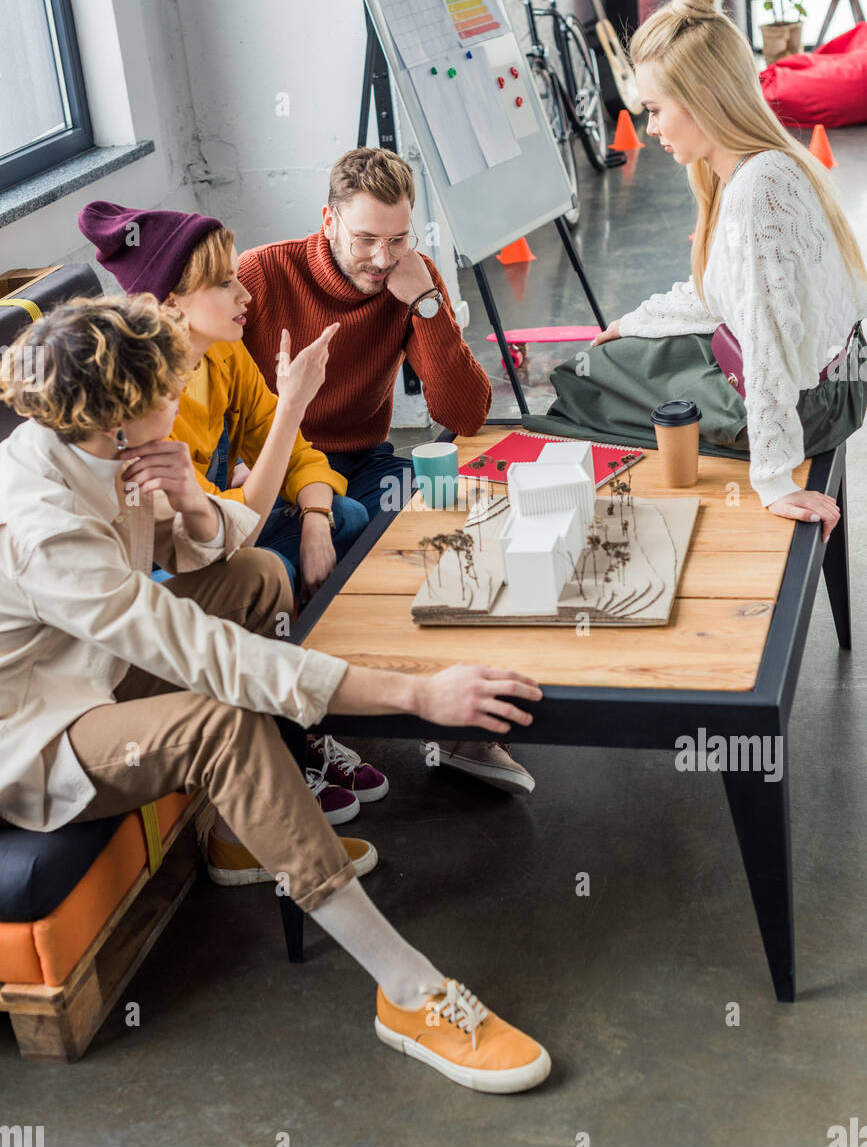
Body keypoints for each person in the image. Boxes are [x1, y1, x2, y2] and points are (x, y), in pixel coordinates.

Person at [0, 297, 550, 1094]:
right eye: (169, 387)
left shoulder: (91, 447)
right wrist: (415, 696)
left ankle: (236, 837)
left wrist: (189, 500)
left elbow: (216, 550)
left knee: (257, 577)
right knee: (218, 721)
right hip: (31, 736)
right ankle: (407, 990)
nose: (182, 388)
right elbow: (207, 655)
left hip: (85, 670)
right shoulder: (43, 525)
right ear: (119, 420)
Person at [78, 202, 387, 845]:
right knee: (266, 565)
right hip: (174, 571)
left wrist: (315, 516)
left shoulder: (223, 356)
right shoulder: (145, 408)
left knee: (347, 515)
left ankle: (305, 705)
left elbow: (297, 458)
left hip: (213, 537)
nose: (245, 291)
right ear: (168, 305)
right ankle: (292, 737)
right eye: (224, 283)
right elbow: (222, 533)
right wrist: (294, 404)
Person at [522, 0, 867, 540]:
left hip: (812, 405)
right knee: (611, 358)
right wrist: (634, 326)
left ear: (705, 100)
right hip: (828, 382)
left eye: (656, 110)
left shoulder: (759, 190)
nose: (649, 127)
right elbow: (720, 293)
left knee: (586, 382)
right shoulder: (753, 167)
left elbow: (767, 338)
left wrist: (776, 479)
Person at [238, 146, 535, 795]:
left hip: (362, 459)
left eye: (397, 238)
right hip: (277, 463)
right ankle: (306, 732)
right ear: (327, 221)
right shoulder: (261, 275)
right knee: (295, 567)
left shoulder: (409, 275)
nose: (380, 258)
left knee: (444, 529)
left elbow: (462, 412)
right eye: (365, 238)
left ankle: (460, 727)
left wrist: (425, 304)